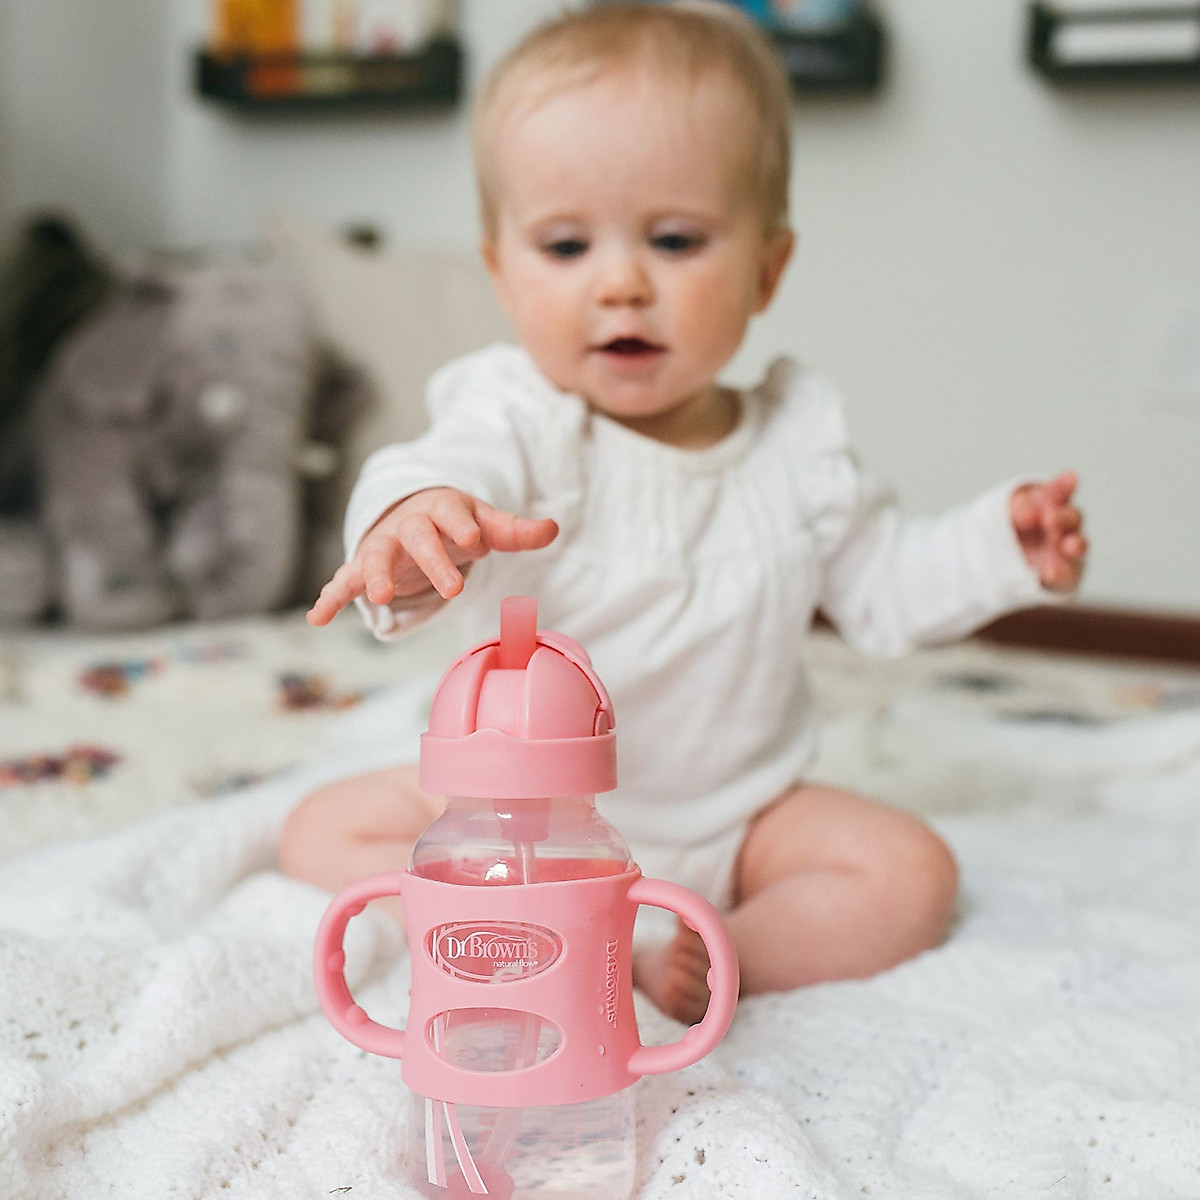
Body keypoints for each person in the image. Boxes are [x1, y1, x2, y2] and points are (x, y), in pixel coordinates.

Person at [279, 1, 1088, 1026]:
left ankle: (707, 951)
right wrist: (414, 518)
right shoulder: (518, 420)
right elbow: (438, 464)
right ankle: (530, 920)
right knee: (318, 829)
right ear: (502, 272)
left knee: (911, 871)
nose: (620, 283)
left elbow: (887, 592)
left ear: (767, 268)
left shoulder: (798, 447)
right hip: (523, 823)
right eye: (566, 246)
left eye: (674, 239)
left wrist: (996, 547)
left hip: (742, 825)